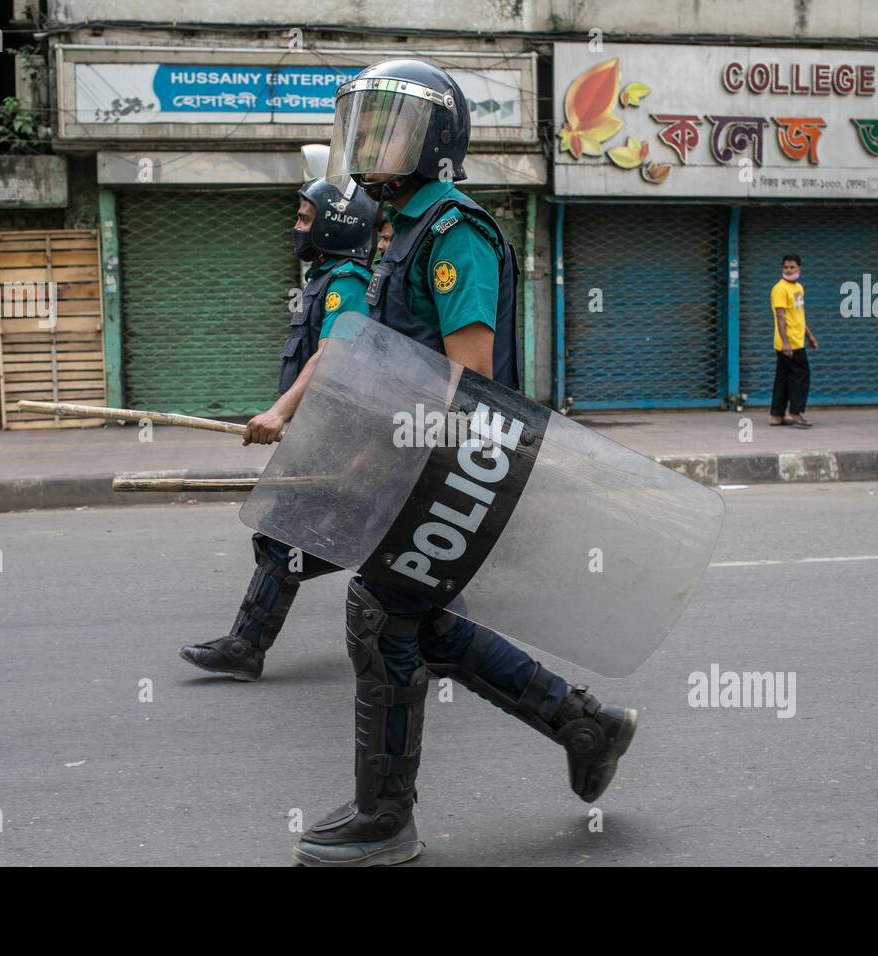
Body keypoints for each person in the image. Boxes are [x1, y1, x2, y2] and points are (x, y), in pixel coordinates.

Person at [244, 59, 637, 867]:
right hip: (415, 467)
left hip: (457, 469)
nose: (375, 144)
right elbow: (384, 363)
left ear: (439, 142)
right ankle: (584, 724)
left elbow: (469, 381)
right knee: (415, 623)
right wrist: (346, 450)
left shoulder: (457, 231)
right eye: (369, 125)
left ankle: (386, 818)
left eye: (394, 128)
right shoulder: (403, 233)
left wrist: (383, 454)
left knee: (381, 615)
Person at [177, 177, 376, 680]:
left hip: (338, 442)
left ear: (335, 226)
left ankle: (247, 646)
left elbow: (333, 355)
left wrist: (280, 412)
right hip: (320, 439)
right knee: (286, 539)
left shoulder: (346, 281)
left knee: (284, 539)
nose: (296, 227)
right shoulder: (324, 279)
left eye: (305, 219)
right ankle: (248, 645)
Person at [769, 254, 817, 428]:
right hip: (789, 343)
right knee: (801, 376)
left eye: (792, 267)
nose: (789, 270)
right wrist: (786, 342)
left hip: (797, 340)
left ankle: (777, 416)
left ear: (799, 269)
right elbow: (780, 316)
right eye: (786, 267)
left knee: (782, 378)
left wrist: (809, 336)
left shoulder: (798, 288)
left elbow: (799, 315)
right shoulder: (780, 289)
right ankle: (795, 413)